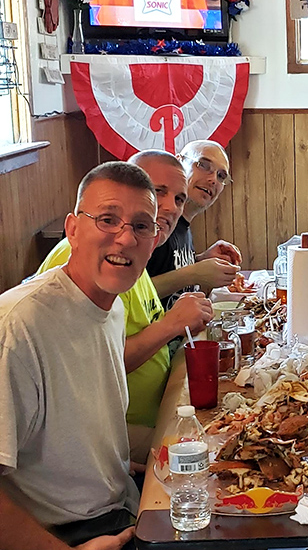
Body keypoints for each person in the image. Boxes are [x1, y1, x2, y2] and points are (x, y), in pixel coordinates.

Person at [0, 160, 275, 550]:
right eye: (107, 221)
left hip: (104, 515)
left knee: (237, 522)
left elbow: (77, 428)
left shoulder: (104, 308)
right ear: (73, 227)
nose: (124, 238)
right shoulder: (20, 325)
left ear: (157, 242)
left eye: (141, 227)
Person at [37, 150, 212, 461]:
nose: (170, 207)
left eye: (180, 198)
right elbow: (91, 368)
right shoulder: (86, 259)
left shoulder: (134, 255)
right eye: (159, 192)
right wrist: (173, 323)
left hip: (145, 416)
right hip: (114, 431)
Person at [147, 139, 242, 308]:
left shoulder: (184, 224)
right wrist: (193, 274)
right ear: (179, 162)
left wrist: (200, 260)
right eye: (203, 165)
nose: (213, 179)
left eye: (221, 176)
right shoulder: (156, 222)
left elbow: (166, 269)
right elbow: (129, 296)